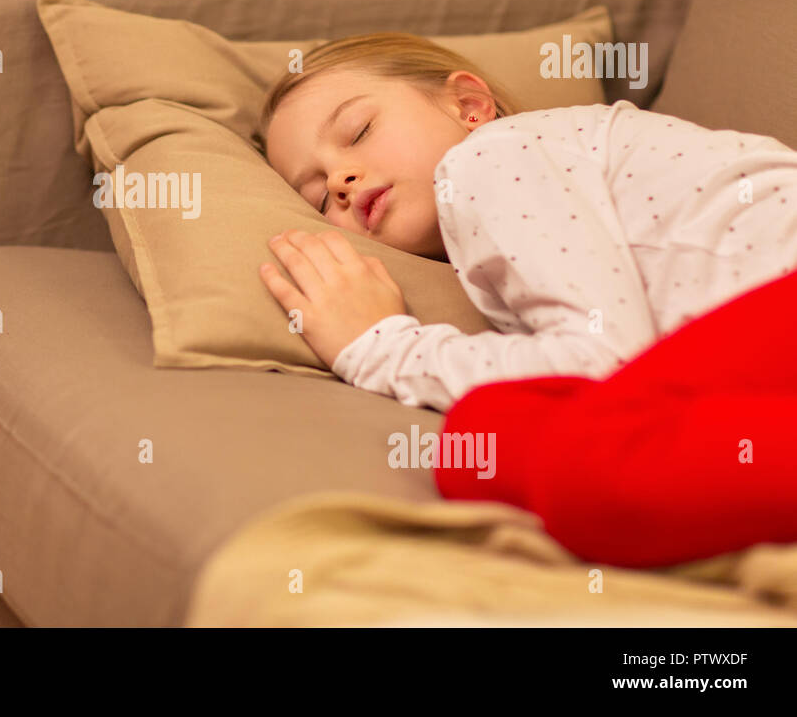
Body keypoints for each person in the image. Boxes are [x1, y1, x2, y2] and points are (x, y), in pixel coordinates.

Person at [252, 33, 797, 566]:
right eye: (320, 195)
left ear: (469, 105)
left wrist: (379, 348)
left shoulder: (489, 158)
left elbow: (596, 361)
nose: (342, 180)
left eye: (359, 130)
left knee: (495, 438)